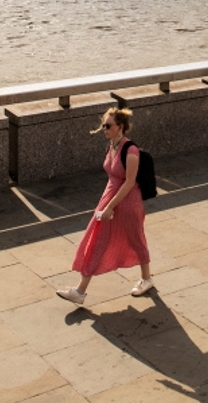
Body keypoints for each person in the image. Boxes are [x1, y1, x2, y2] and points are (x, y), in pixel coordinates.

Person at [56, 108, 153, 306]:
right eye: (103, 125)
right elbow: (112, 178)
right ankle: (80, 291)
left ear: (121, 127)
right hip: (110, 201)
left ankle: (146, 279)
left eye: (108, 126)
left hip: (126, 204)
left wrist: (110, 207)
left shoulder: (131, 151)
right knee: (97, 240)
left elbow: (129, 182)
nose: (104, 129)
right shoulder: (111, 146)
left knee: (136, 240)